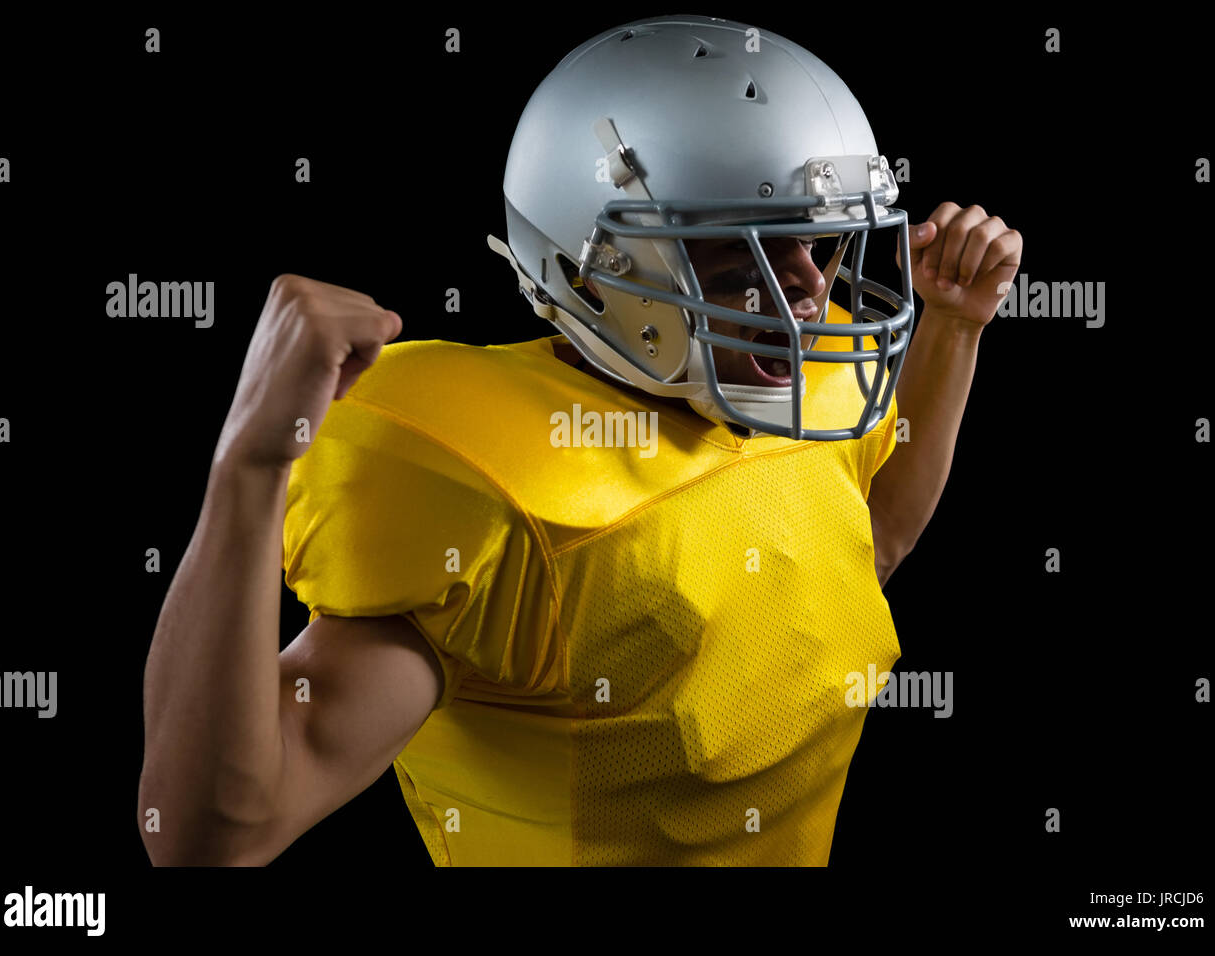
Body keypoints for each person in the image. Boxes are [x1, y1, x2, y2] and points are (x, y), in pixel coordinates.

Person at [139, 14, 1020, 866]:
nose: (799, 294)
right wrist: (248, 467)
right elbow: (210, 838)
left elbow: (864, 550)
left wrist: (952, 330)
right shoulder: (499, 491)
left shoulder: (798, 384)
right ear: (593, 263)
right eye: (736, 257)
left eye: (817, 245)